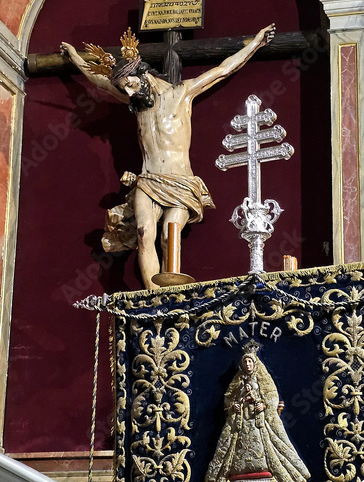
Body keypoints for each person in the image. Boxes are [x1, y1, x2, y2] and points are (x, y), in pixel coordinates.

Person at [60, 24, 275, 288]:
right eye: (124, 89)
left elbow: (222, 70)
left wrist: (255, 43)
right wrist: (75, 57)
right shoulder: (137, 104)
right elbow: (99, 82)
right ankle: (151, 296)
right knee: (143, 234)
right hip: (148, 180)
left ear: (142, 74)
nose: (128, 93)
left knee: (167, 236)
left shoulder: (182, 93)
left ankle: (169, 295)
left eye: (130, 84)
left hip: (180, 181)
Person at [204, 342, 310, 482]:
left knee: (266, 445)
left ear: (254, 363)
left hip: (258, 420)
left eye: (250, 361)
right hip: (241, 420)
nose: (247, 364)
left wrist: (263, 404)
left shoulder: (262, 378)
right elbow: (229, 399)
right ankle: (235, 476)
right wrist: (234, 406)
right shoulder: (238, 380)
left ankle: (270, 473)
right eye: (245, 362)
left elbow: (272, 396)